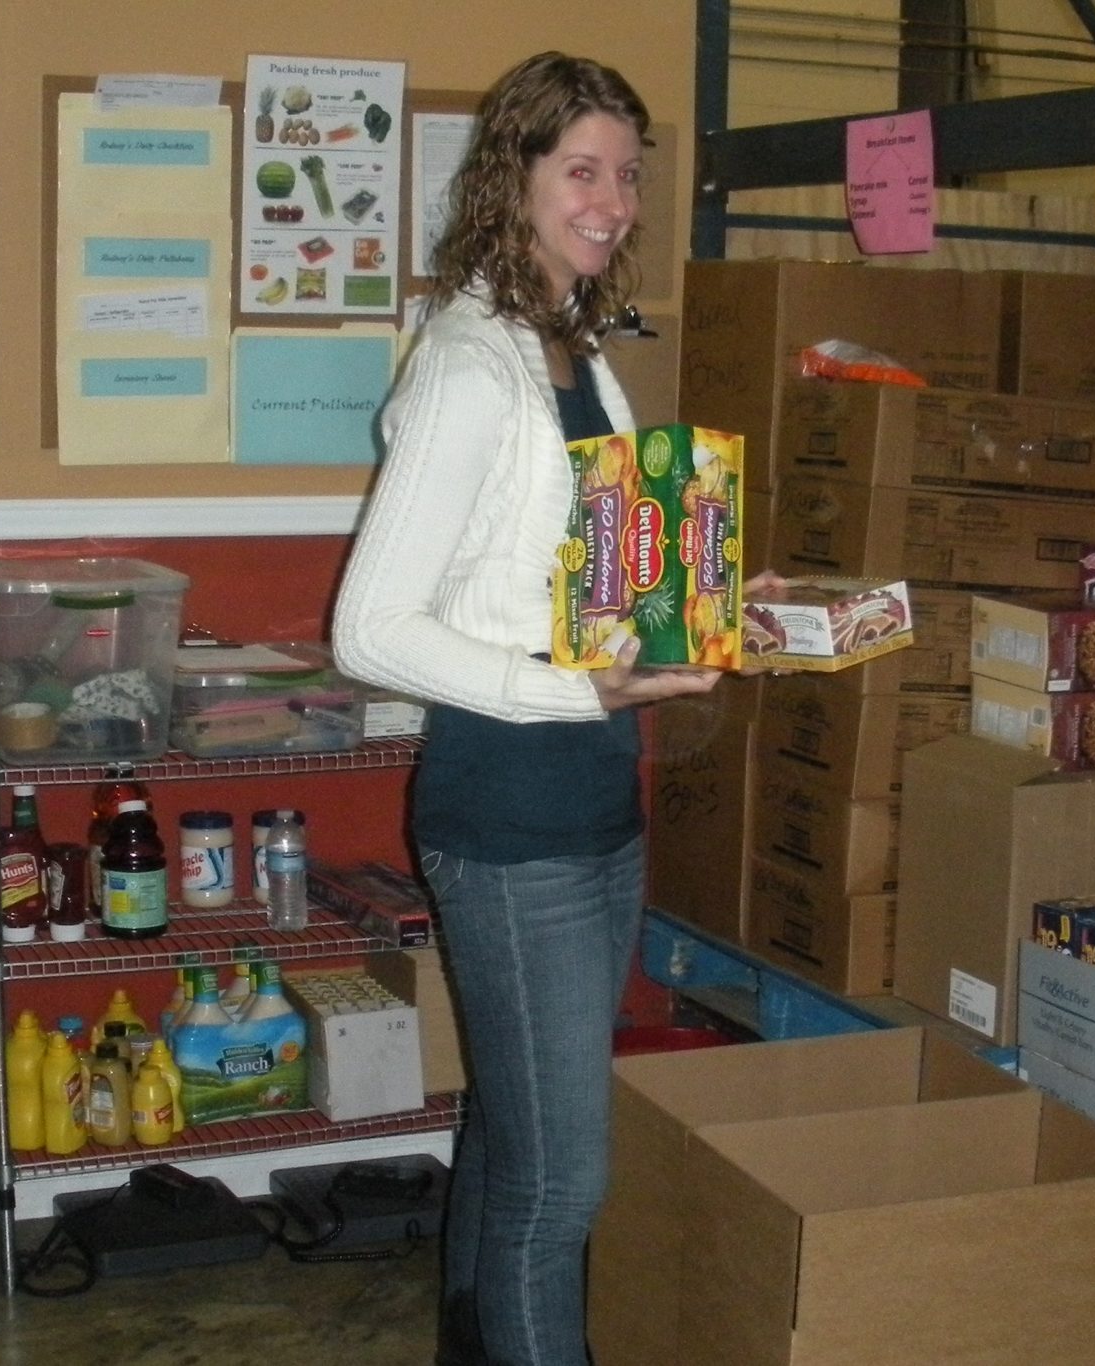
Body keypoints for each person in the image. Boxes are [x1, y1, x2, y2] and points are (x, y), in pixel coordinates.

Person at [330, 51, 720, 1366]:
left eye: (626, 173)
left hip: (599, 800)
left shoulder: (576, 346)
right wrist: (577, 685)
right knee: (565, 1189)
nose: (611, 200)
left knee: (513, 1126)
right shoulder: (472, 364)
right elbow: (369, 628)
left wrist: (719, 598)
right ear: (518, 177)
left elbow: (584, 582)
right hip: (511, 819)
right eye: (581, 171)